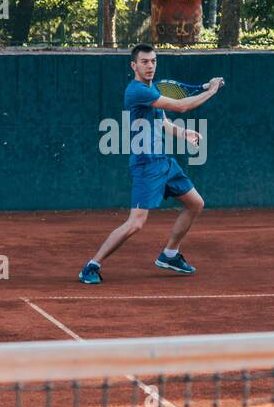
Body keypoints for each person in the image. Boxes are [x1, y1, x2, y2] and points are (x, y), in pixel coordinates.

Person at [79, 44, 222, 284]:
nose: (150, 66)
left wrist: (183, 133)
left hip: (164, 162)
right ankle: (92, 265)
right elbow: (183, 106)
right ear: (133, 65)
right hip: (146, 165)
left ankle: (169, 254)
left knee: (195, 204)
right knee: (136, 223)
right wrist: (211, 91)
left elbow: (163, 122)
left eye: (153, 61)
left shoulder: (152, 89)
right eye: (145, 62)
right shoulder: (136, 91)